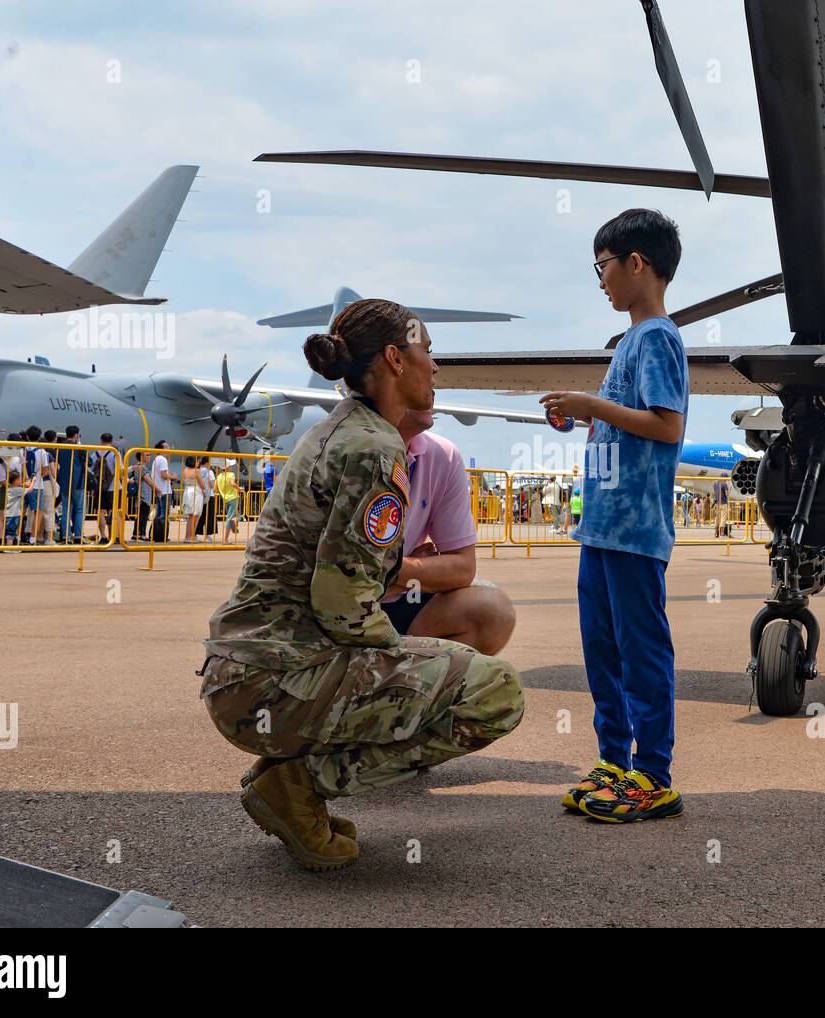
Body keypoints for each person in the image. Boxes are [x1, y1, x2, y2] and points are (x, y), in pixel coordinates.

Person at [200, 299, 523, 871]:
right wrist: (408, 669)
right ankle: (298, 786)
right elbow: (343, 605)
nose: (436, 368)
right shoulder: (373, 450)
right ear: (397, 360)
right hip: (273, 681)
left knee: (432, 671)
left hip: (254, 673)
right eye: (429, 354)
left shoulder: (347, 432)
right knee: (494, 692)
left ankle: (290, 778)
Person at [540, 207, 688, 823]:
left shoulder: (655, 337)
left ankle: (652, 774)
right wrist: (587, 415)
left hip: (633, 530)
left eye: (602, 266)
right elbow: (630, 421)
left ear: (636, 263)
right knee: (602, 647)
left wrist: (590, 401)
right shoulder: (632, 339)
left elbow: (666, 423)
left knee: (639, 648)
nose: (600, 279)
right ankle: (613, 761)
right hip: (602, 527)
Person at [379, 409, 516, 655]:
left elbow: (462, 568)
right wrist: (414, 571)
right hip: (334, 609)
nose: (434, 370)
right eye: (420, 368)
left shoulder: (441, 454)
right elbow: (336, 575)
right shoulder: (340, 450)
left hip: (397, 600)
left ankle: (397, 676)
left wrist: (395, 572)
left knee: (492, 611)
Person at [54, 425, 88, 545]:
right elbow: (88, 462)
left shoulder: (60, 448)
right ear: (76, 435)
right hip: (78, 483)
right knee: (79, 510)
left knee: (66, 510)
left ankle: (65, 536)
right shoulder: (79, 448)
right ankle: (78, 536)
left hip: (64, 482)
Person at [93, 435, 117, 543]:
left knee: (100, 512)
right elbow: (120, 470)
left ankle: (103, 536)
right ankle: (112, 536)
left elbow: (90, 469)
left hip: (99, 487)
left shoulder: (95, 453)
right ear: (111, 441)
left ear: (101, 440)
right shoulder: (114, 453)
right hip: (112, 487)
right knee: (112, 512)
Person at [150, 440, 172, 543]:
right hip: (165, 491)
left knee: (159, 513)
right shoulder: (163, 459)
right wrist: (173, 477)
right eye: (167, 446)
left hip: (159, 490)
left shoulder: (156, 460)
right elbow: (164, 475)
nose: (169, 448)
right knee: (164, 514)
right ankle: (162, 536)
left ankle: (156, 535)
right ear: (162, 449)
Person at [216, 458, 241, 544]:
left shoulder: (218, 477)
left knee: (237, 515)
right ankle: (225, 539)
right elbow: (233, 484)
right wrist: (239, 489)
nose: (231, 467)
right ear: (227, 467)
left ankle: (233, 523)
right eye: (230, 466)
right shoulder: (231, 474)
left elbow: (215, 489)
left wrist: (223, 491)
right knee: (230, 517)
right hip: (233, 497)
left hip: (225, 499)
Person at [181, 455, 203, 543]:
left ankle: (189, 536)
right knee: (195, 515)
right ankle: (190, 536)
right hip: (195, 492)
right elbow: (202, 483)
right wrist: (204, 489)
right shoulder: (196, 471)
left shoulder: (185, 470)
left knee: (191, 516)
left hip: (187, 491)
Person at [4, 468, 24, 545]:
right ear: (16, 481)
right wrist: (34, 482)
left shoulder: (10, 489)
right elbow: (29, 490)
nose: (21, 480)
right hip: (13, 514)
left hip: (10, 513)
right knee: (11, 532)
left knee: (11, 531)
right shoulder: (16, 490)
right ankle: (9, 548)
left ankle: (11, 546)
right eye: (20, 479)